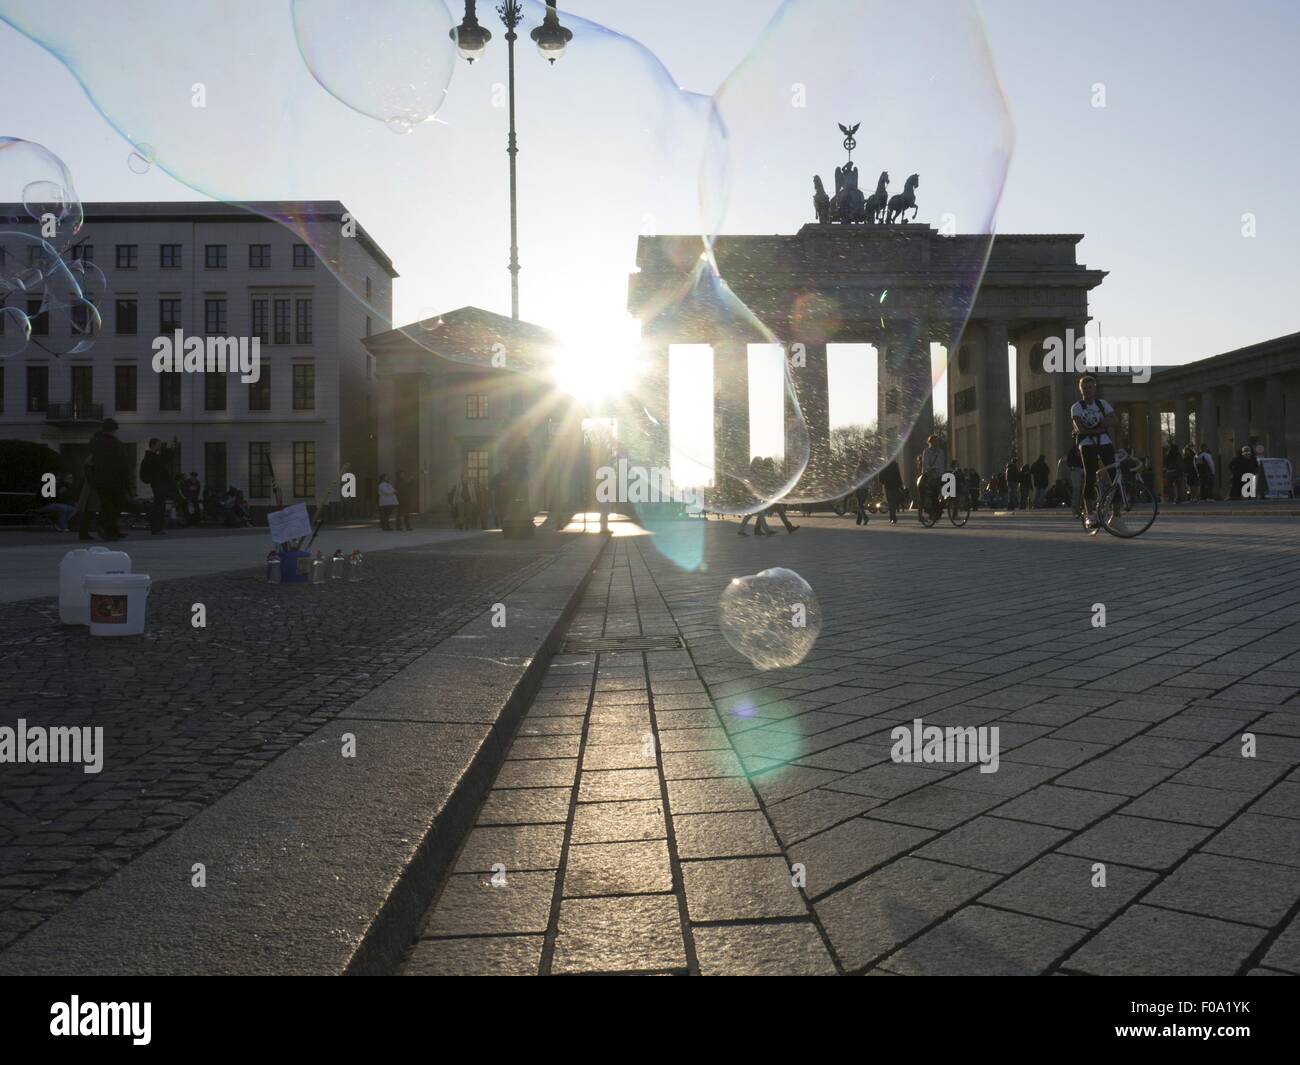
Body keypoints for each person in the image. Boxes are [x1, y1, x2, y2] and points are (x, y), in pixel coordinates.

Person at [1070, 375, 1119, 533]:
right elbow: (1081, 427)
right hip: (1087, 444)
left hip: (1104, 442)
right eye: (1084, 388)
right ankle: (1090, 515)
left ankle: (1117, 516)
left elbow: (1114, 420)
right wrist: (1101, 425)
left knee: (1114, 475)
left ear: (1095, 388)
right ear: (1080, 390)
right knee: (1090, 476)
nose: (1088, 391)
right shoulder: (1077, 407)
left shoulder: (1102, 404)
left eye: (1090, 387)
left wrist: (1099, 425)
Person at [78, 418, 130, 541]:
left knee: (106, 506)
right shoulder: (115, 443)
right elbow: (122, 463)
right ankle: (108, 530)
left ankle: (110, 530)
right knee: (112, 506)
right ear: (114, 430)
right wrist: (126, 480)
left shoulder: (95, 443)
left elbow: (90, 462)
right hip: (113, 480)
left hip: (99, 480)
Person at [139, 436, 179, 535]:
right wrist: (171, 449)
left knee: (160, 506)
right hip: (158, 484)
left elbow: (163, 460)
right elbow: (164, 460)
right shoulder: (151, 457)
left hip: (158, 483)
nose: (160, 446)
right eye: (159, 444)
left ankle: (157, 528)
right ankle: (156, 528)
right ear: (153, 445)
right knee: (159, 506)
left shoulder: (151, 456)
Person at [878, 458, 904, 524]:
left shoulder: (885, 466)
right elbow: (898, 476)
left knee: (891, 502)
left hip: (888, 486)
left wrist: (884, 482)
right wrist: (900, 485)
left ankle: (892, 517)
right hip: (895, 486)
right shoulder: (895, 466)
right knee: (893, 502)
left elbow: (880, 477)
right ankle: (893, 517)